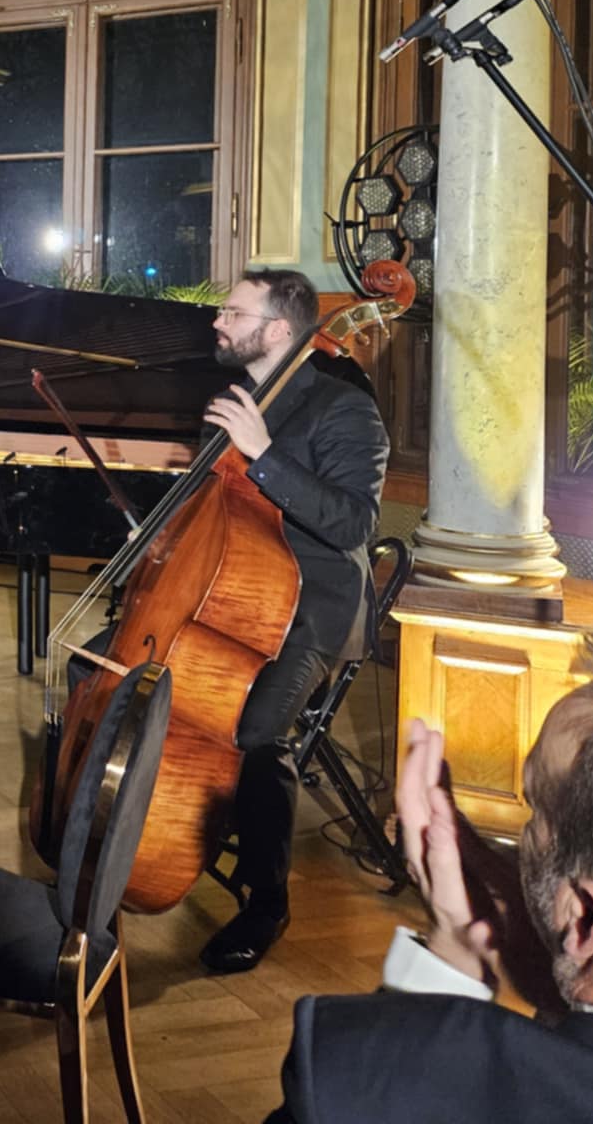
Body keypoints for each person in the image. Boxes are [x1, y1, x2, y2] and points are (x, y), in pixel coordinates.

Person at [266, 631, 593, 1122]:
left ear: (584, 917)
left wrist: (444, 969)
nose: (519, 844)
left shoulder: (364, 1092)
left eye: (533, 811)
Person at [190, 269, 389, 974]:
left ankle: (265, 900)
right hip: (231, 595)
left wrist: (264, 454)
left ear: (278, 330)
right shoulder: (238, 397)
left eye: (234, 311)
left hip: (309, 608)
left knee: (252, 732)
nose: (218, 320)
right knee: (117, 672)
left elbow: (352, 523)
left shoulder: (345, 410)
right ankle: (166, 838)